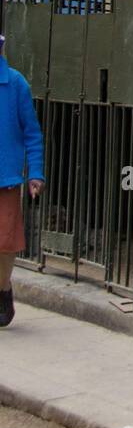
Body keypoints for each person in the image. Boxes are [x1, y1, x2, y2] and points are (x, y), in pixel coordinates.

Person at [0, 33, 45, 328]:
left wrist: (36, 173)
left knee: (5, 243)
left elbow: (32, 132)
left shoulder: (15, 84)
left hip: (7, 179)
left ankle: (2, 291)